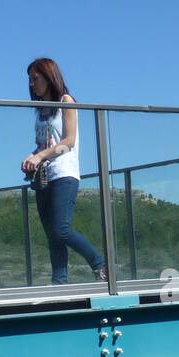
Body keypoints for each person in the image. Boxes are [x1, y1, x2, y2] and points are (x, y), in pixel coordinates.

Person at [22, 58, 107, 284]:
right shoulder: (40, 111)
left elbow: (68, 141)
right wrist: (32, 156)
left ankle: (100, 264)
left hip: (64, 174)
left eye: (35, 78)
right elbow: (44, 144)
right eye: (29, 80)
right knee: (52, 234)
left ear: (49, 76)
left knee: (61, 229)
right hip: (44, 177)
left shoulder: (66, 101)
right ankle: (59, 281)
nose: (32, 84)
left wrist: (41, 155)